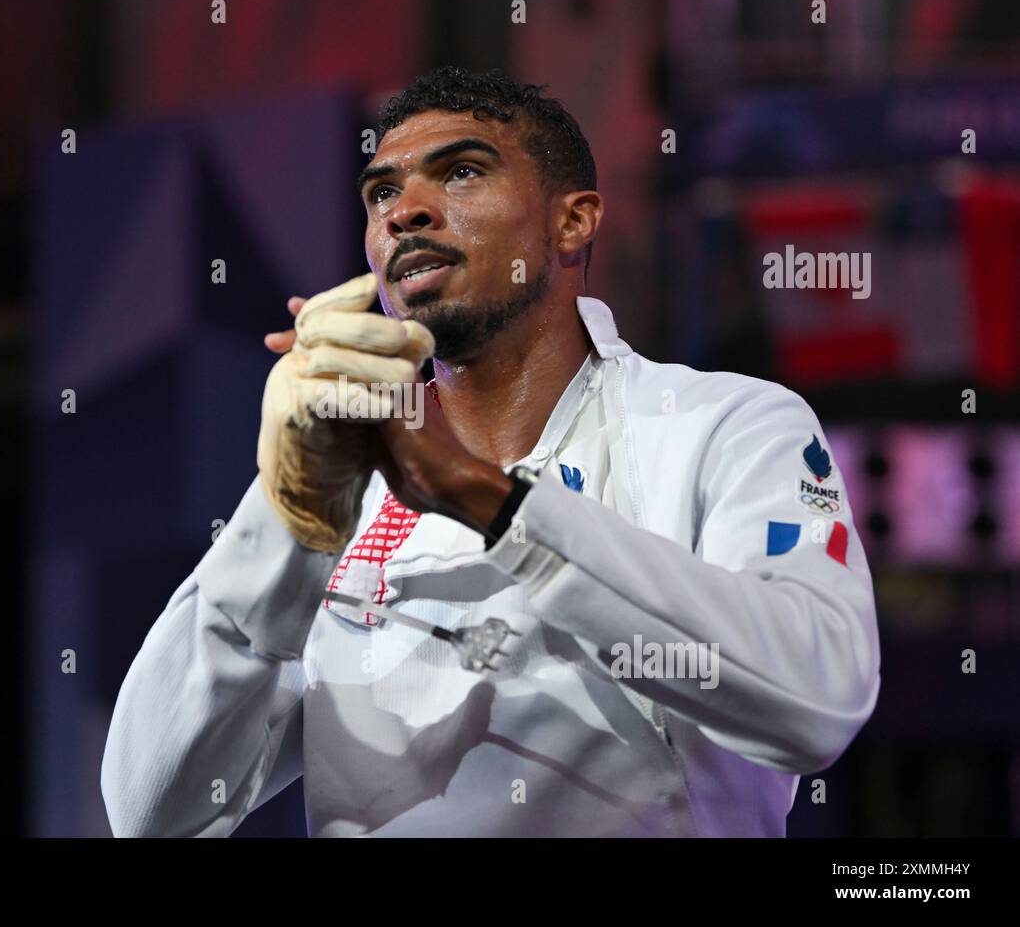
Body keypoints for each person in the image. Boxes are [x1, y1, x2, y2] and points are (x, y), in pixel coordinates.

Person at [100, 65, 881, 837]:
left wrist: (480, 496)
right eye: (381, 194)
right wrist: (286, 515)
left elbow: (815, 702)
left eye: (462, 173)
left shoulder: (725, 426)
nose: (405, 212)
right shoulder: (341, 497)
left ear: (572, 222)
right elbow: (153, 810)